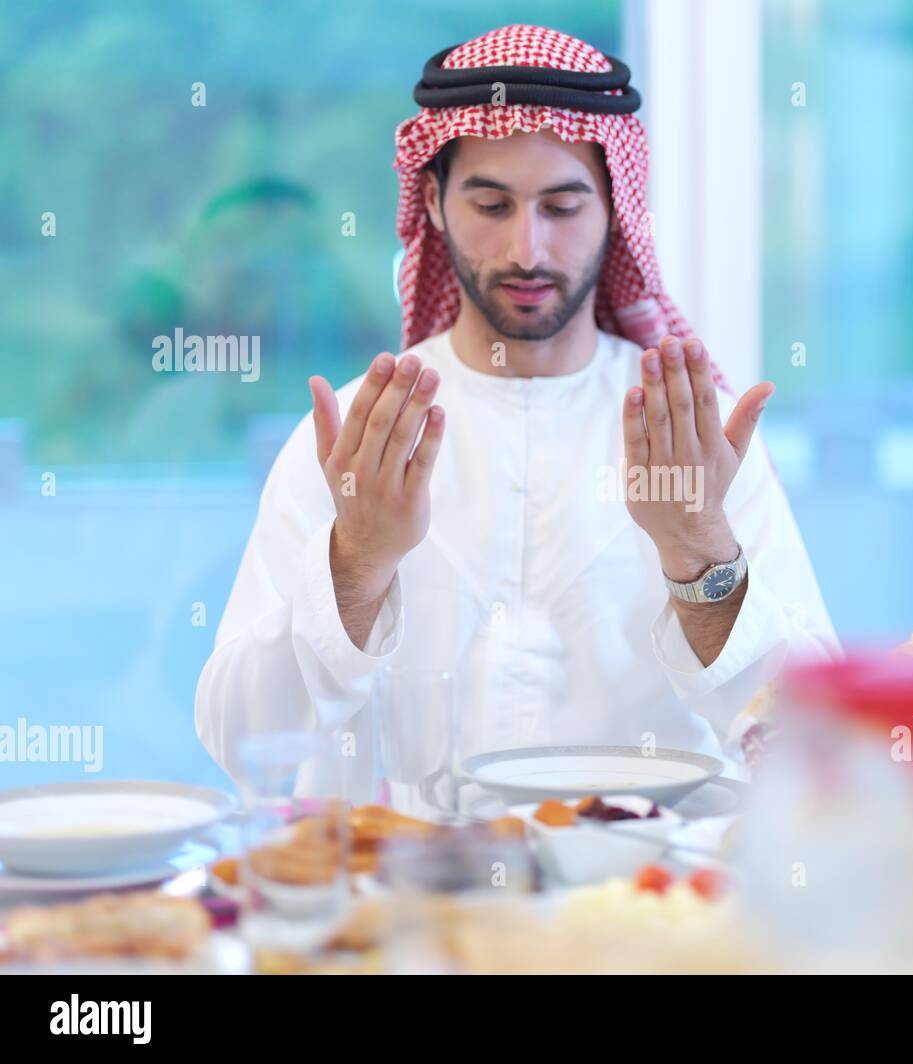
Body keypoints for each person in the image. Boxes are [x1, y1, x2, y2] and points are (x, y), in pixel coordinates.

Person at [194, 24, 838, 810]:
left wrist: (699, 553)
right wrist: (356, 564)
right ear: (432, 202)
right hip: (402, 907)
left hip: (651, 906)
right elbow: (240, 741)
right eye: (491, 204)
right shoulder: (363, 435)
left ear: (616, 208)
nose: (527, 248)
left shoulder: (693, 439)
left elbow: (816, 751)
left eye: (563, 206)